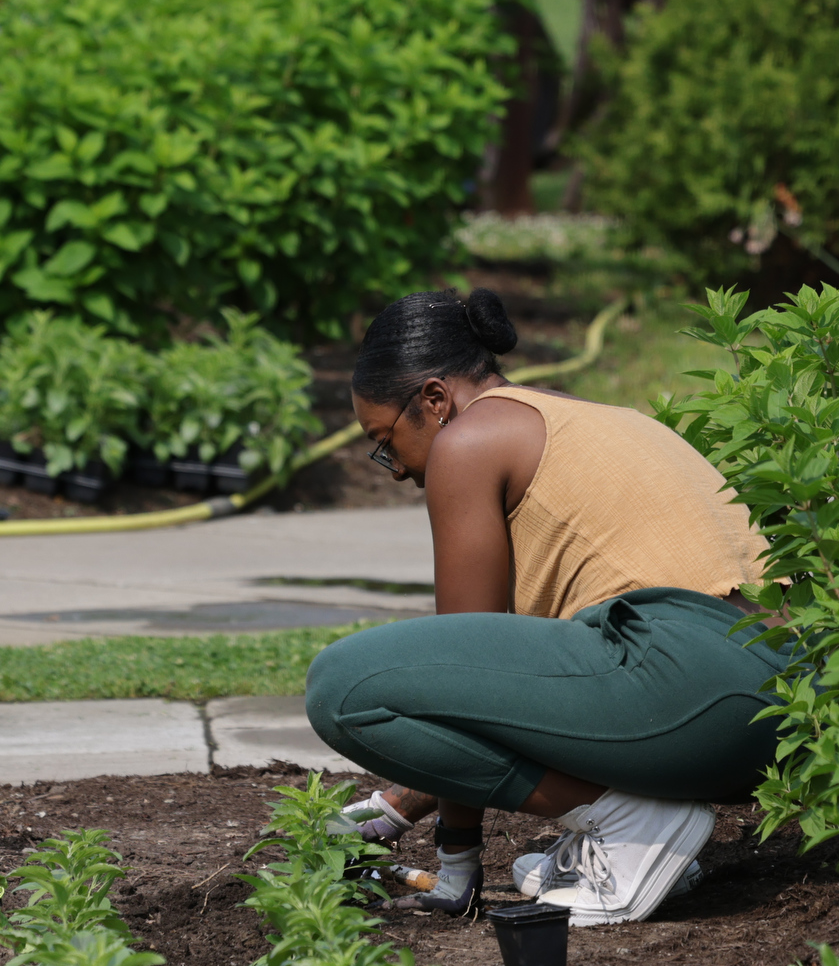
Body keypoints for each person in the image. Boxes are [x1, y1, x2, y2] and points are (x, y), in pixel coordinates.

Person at [305, 288, 790, 926]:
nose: (393, 468)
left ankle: (633, 822)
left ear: (434, 399)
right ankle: (645, 845)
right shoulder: (592, 418)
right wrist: (396, 806)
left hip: (685, 676)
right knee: (534, 854)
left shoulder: (469, 441)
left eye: (385, 441)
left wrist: (458, 868)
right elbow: (508, 699)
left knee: (342, 686)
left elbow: (463, 655)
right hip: (777, 714)